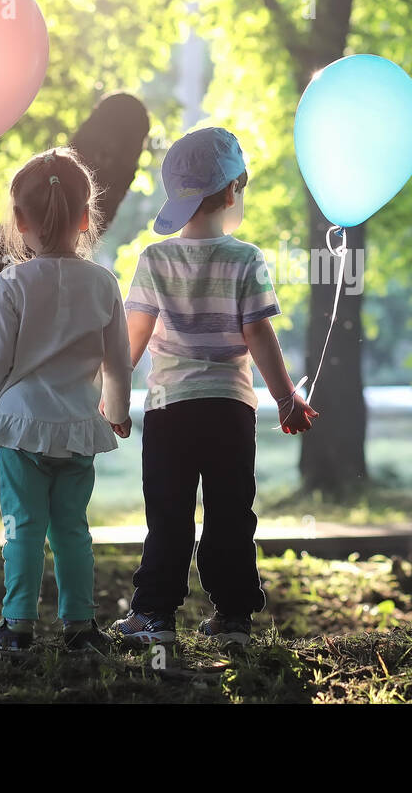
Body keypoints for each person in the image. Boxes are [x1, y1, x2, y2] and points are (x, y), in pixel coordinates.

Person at [112, 127, 317, 647]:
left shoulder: (154, 260)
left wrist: (113, 399)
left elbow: (132, 338)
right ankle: (232, 620)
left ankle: (155, 615)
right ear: (231, 191)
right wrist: (285, 397)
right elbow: (258, 333)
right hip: (230, 410)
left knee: (168, 512)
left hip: (169, 410)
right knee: (230, 511)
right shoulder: (245, 258)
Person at [0, 147, 132, 652]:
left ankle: (17, 627)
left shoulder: (13, 282)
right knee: (72, 530)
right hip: (79, 426)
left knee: (22, 527)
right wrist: (118, 414)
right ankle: (81, 627)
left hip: (21, 427)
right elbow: (118, 361)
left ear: (19, 219)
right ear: (86, 217)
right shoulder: (103, 283)